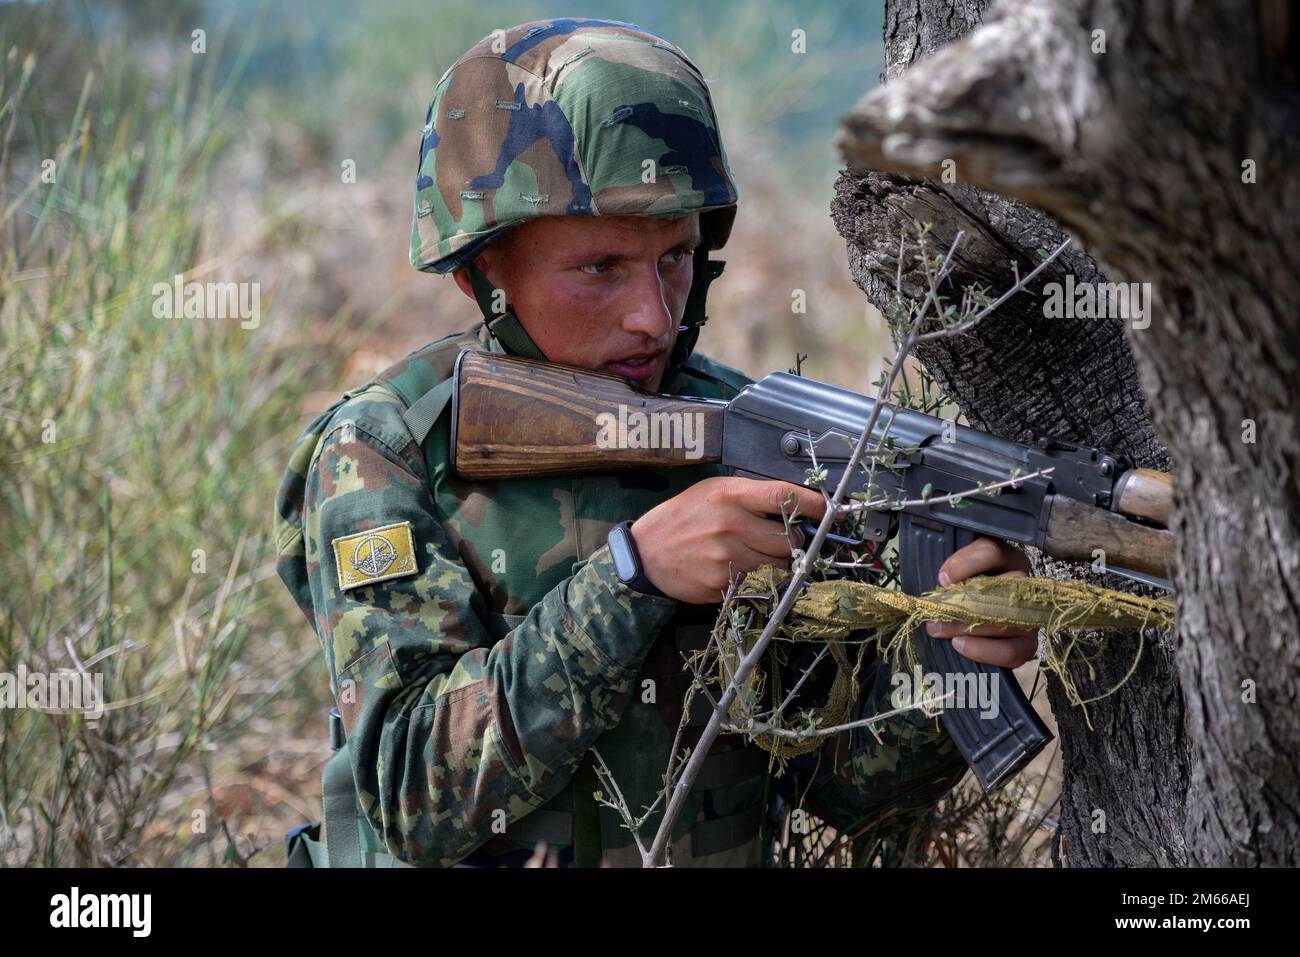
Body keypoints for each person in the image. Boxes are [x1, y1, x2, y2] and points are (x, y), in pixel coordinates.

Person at [274, 18, 1037, 868]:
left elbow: (846, 778)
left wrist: (953, 658)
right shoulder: (390, 449)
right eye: (600, 267)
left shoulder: (738, 429)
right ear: (481, 271)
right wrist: (633, 573)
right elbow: (412, 798)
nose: (653, 314)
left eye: (675, 258)